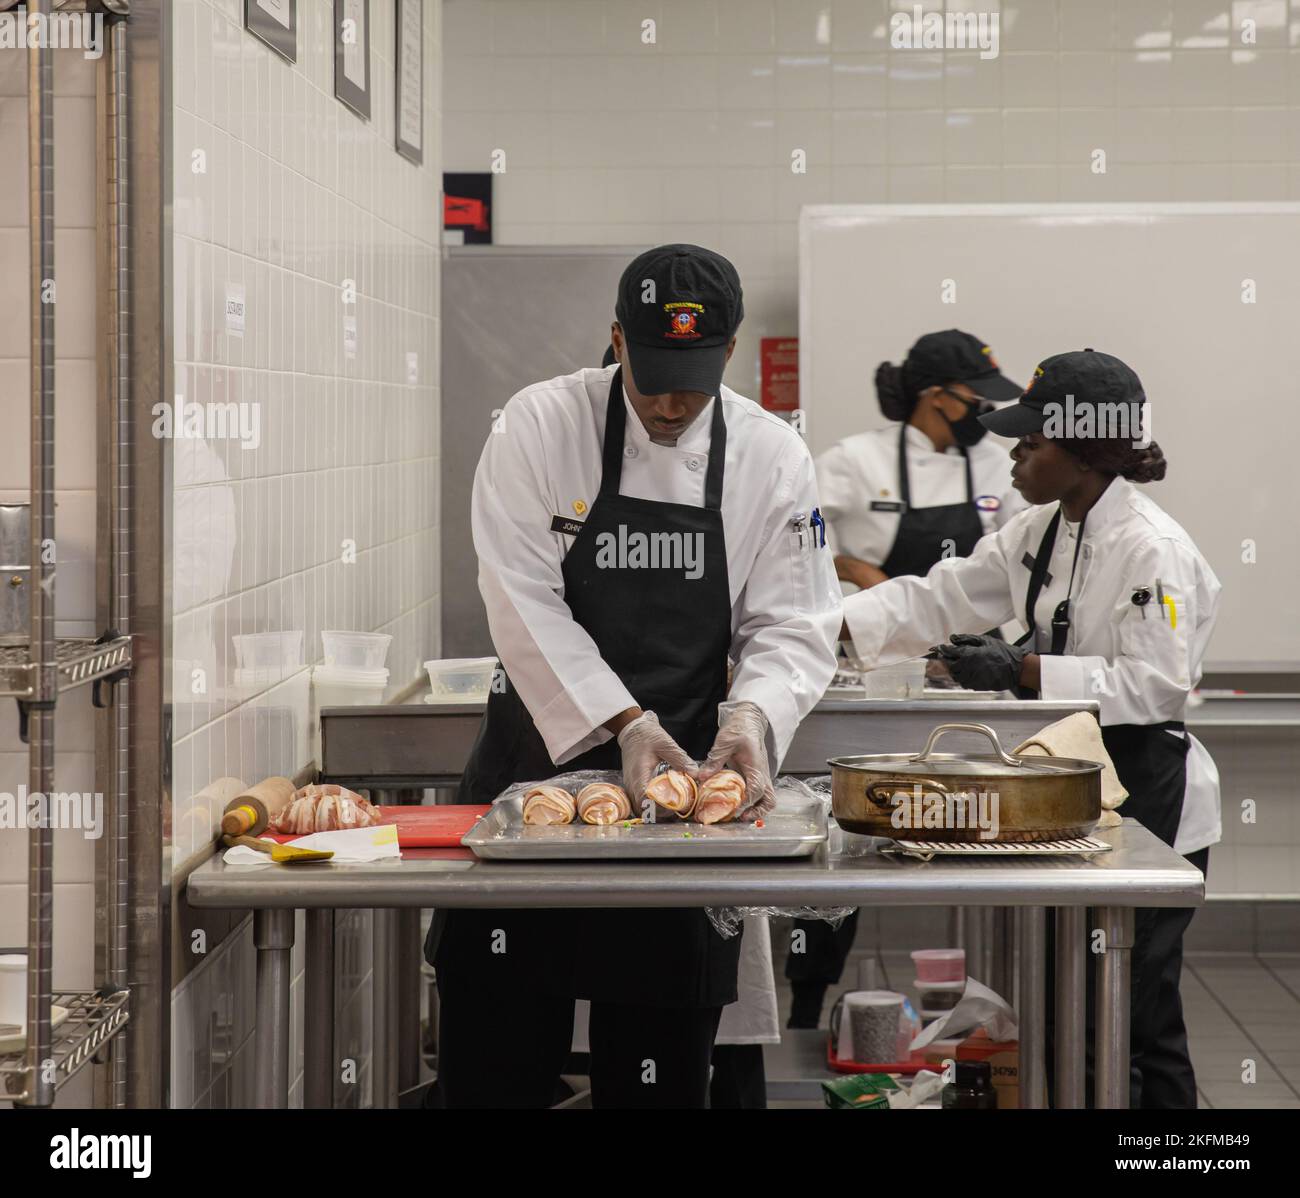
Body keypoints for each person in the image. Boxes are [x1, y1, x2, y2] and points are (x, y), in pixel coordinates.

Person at [428, 244, 841, 1109]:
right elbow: (520, 602)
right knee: (491, 1071)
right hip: (530, 782)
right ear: (615, 339)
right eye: (647, 374)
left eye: (688, 381)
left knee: (656, 1077)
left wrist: (752, 721)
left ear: (728, 352)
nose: (665, 402)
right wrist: (625, 725)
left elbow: (794, 624)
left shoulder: (772, 457)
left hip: (680, 804)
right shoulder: (538, 426)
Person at [841, 348, 1221, 1108]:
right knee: (1075, 1007)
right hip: (1073, 789)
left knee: (1138, 1019)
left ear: (1085, 452)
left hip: (1147, 789)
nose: (1011, 455)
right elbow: (939, 597)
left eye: (1031, 443)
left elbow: (1154, 687)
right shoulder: (1041, 529)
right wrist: (825, 637)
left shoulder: (1153, 549)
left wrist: (1023, 673)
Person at [785, 329, 1024, 1028]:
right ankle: (807, 1003)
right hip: (868, 677)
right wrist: (858, 571)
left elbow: (1003, 575)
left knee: (984, 839)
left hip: (963, 684)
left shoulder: (998, 469)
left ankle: (986, 1014)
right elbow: (792, 542)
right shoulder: (855, 462)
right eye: (979, 400)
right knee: (844, 843)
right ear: (935, 399)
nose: (988, 414)